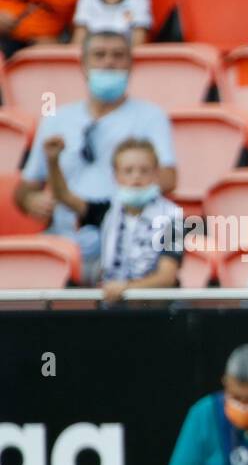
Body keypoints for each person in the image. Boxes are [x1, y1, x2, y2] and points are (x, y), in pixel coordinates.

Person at [15, 30, 176, 281]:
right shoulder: (56, 119)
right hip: (62, 239)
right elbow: (27, 187)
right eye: (99, 55)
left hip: (122, 235)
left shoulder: (151, 116)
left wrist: (128, 199)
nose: (109, 62)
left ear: (131, 64)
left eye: (118, 56)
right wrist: (30, 199)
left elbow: (168, 178)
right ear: (83, 64)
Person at [43, 136, 180, 301]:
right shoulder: (108, 212)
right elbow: (64, 197)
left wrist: (125, 289)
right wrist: (52, 161)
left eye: (144, 170)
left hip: (156, 312)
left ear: (156, 174)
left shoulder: (175, 218)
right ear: (115, 176)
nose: (136, 177)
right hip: (113, 308)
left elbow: (167, 277)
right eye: (128, 170)